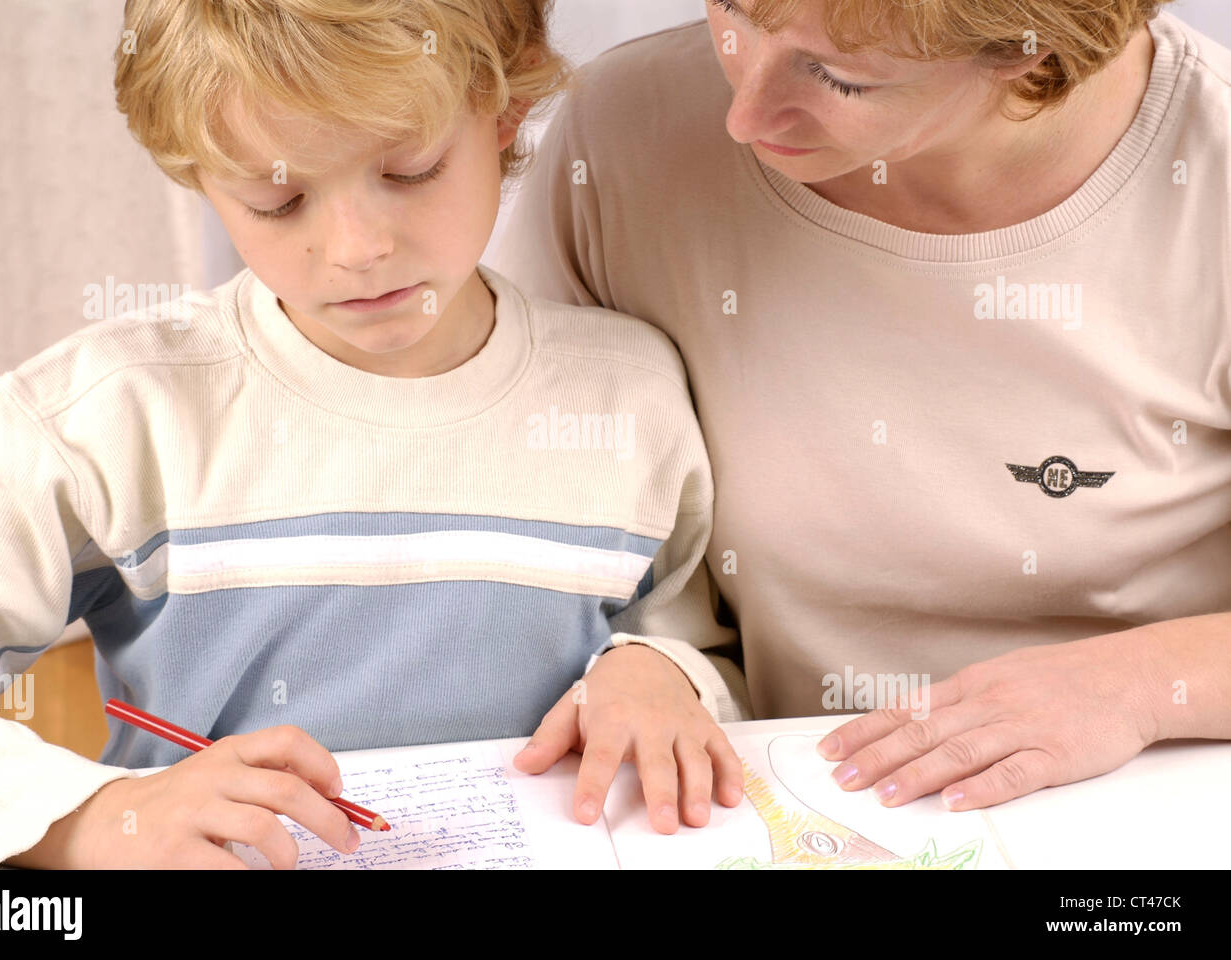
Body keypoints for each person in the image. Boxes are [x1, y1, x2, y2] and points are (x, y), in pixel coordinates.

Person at [0, 0, 751, 870]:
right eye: (278, 201)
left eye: (410, 170)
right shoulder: (107, 415)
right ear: (200, 174)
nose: (357, 248)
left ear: (504, 109)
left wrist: (664, 676)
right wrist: (92, 821)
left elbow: (702, 652)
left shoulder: (628, 395)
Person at [496, 0, 1231, 814]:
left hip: (1151, 809)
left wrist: (1139, 685)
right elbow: (538, 507)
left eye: (839, 77)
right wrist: (650, 660)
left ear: (1026, 51)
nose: (742, 114)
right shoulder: (626, 130)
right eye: (734, 12)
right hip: (767, 802)